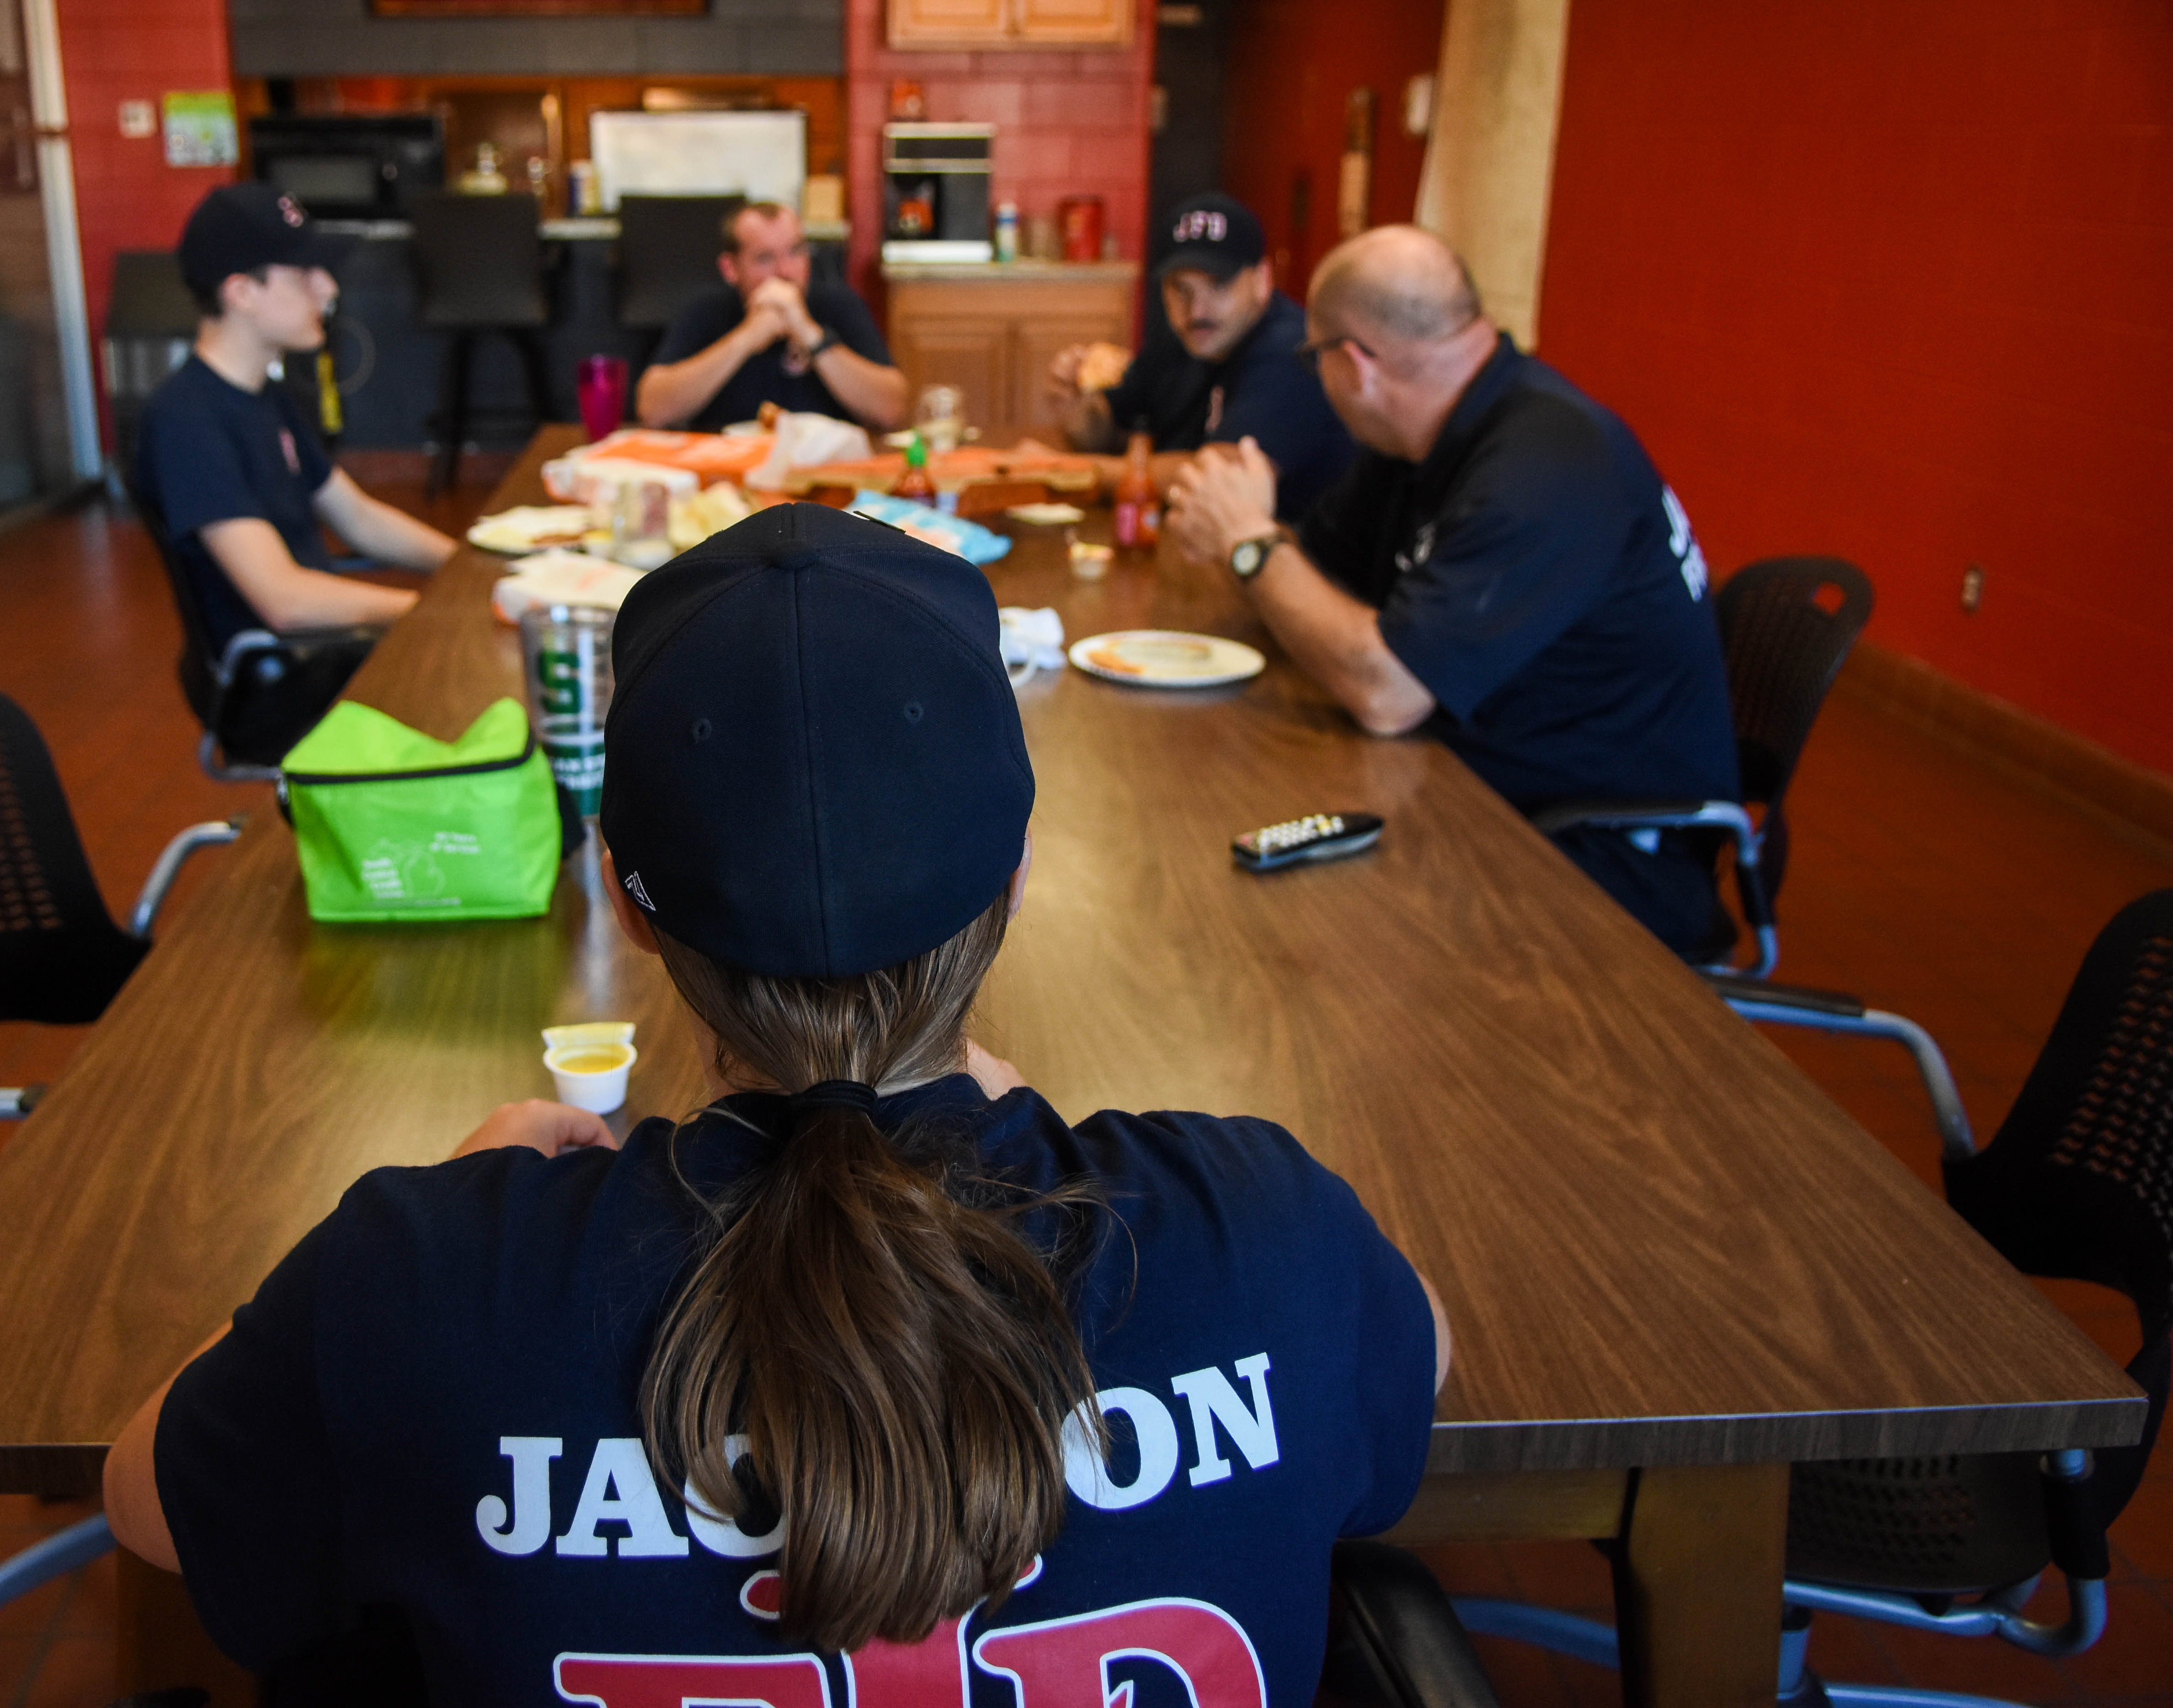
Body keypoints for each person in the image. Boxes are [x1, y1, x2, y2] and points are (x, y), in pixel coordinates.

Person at [100, 501, 1448, 1701]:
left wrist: (452, 1197)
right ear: (1020, 875)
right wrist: (1022, 1127)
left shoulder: (426, 1280)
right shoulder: (1259, 1230)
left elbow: (146, 1499)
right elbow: (1420, 1356)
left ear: (628, 902)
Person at [1168, 224, 1740, 954]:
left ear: (1356, 364)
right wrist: (1243, 532)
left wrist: (1249, 543)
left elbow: (1387, 692)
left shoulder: (1547, 463)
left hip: (1596, 859)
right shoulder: (1414, 441)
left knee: (1256, 941)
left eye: (1315, 360)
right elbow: (1316, 572)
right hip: (1458, 785)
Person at [137, 183, 454, 660]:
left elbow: (358, 518)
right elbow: (285, 601)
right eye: (305, 273)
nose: (328, 288)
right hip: (281, 674)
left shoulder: (266, 396)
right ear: (242, 292)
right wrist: (439, 611)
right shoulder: (188, 422)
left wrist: (469, 567)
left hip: (323, 646)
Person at [1050, 193, 1356, 524]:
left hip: (1289, 558)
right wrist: (1079, 405)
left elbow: (1218, 478)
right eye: (1180, 289)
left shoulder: (1294, 352)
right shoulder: (1180, 339)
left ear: (1262, 280)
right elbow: (1101, 431)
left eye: (1219, 285)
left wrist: (1064, 471)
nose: (1196, 310)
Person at [636, 201, 908, 434]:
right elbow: (653, 410)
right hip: (729, 474)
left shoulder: (839, 304)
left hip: (820, 476)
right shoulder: (707, 309)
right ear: (731, 269)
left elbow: (892, 411)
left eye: (795, 252)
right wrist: (747, 337)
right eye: (765, 259)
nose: (786, 271)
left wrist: (811, 335)